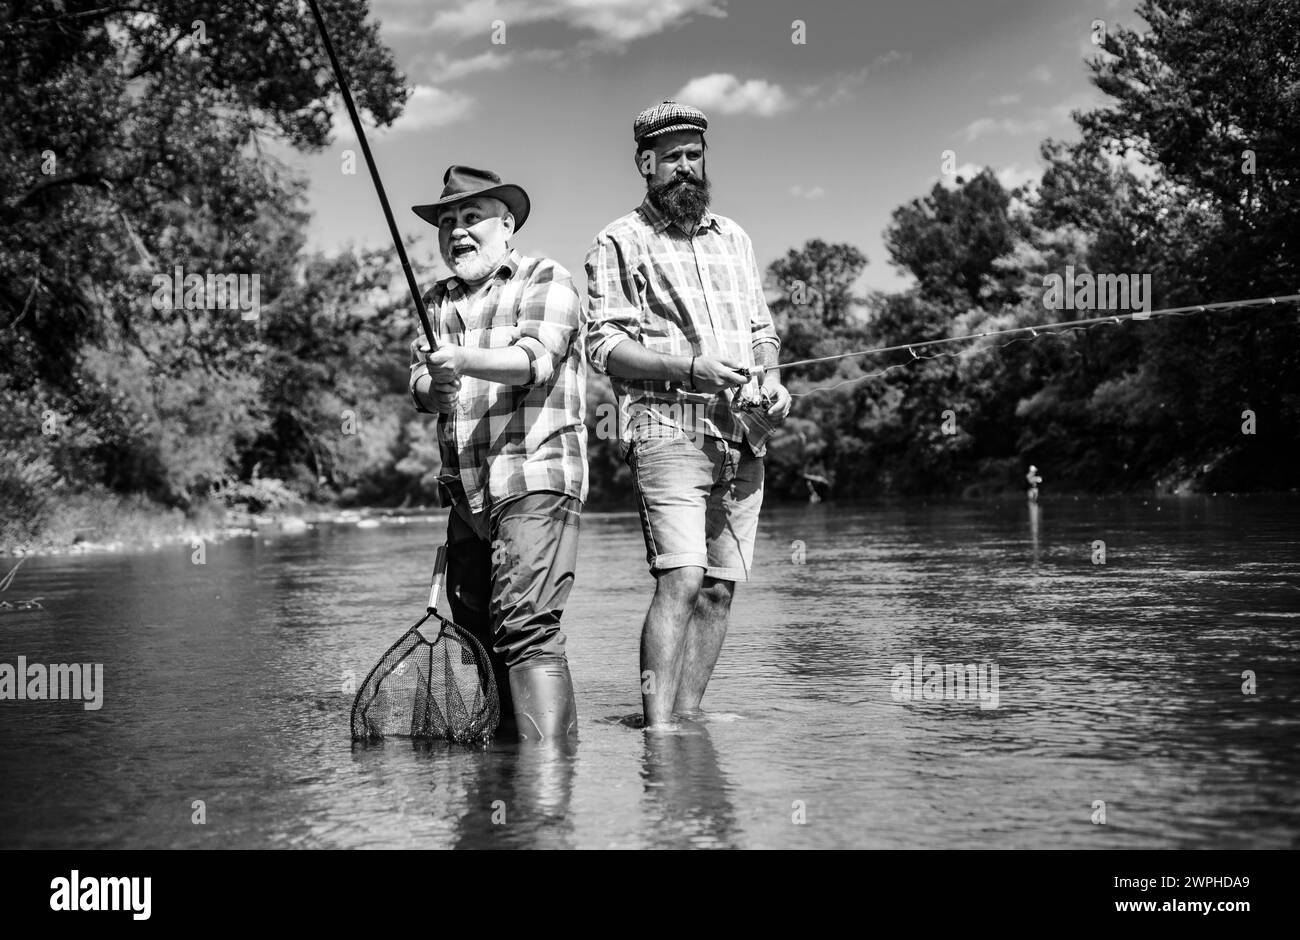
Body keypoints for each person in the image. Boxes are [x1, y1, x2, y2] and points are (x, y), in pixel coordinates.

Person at [583, 101, 791, 727]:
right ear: (644, 163)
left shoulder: (736, 237)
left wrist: (774, 381)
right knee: (681, 578)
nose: (684, 168)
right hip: (666, 430)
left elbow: (762, 329)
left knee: (721, 586)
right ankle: (659, 729)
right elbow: (604, 347)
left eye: (693, 155)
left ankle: (689, 719)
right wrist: (690, 370)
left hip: (743, 434)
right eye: (670, 157)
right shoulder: (619, 239)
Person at [408, 165, 587, 741]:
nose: (457, 230)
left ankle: (544, 778)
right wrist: (432, 387)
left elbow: (536, 359)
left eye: (472, 216)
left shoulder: (545, 277)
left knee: (526, 624)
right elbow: (419, 383)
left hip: (535, 472)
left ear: (507, 224)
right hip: (464, 490)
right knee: (478, 631)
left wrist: (460, 360)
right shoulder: (435, 299)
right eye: (448, 221)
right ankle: (505, 773)